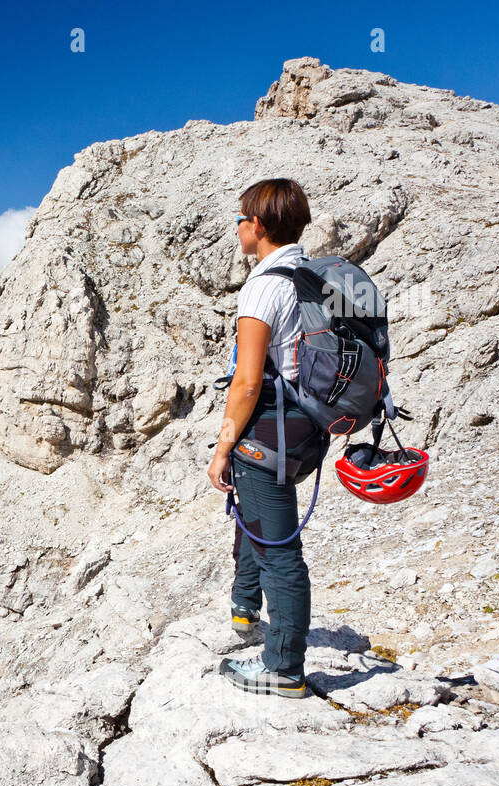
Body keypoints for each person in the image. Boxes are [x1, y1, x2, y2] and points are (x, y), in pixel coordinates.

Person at [207, 178, 322, 699]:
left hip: (266, 433)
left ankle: (283, 668)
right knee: (263, 525)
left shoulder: (263, 285)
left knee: (280, 551)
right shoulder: (312, 276)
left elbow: (248, 381)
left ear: (257, 225)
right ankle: (246, 610)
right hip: (307, 430)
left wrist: (223, 447)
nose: (236, 226)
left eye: (239, 218)